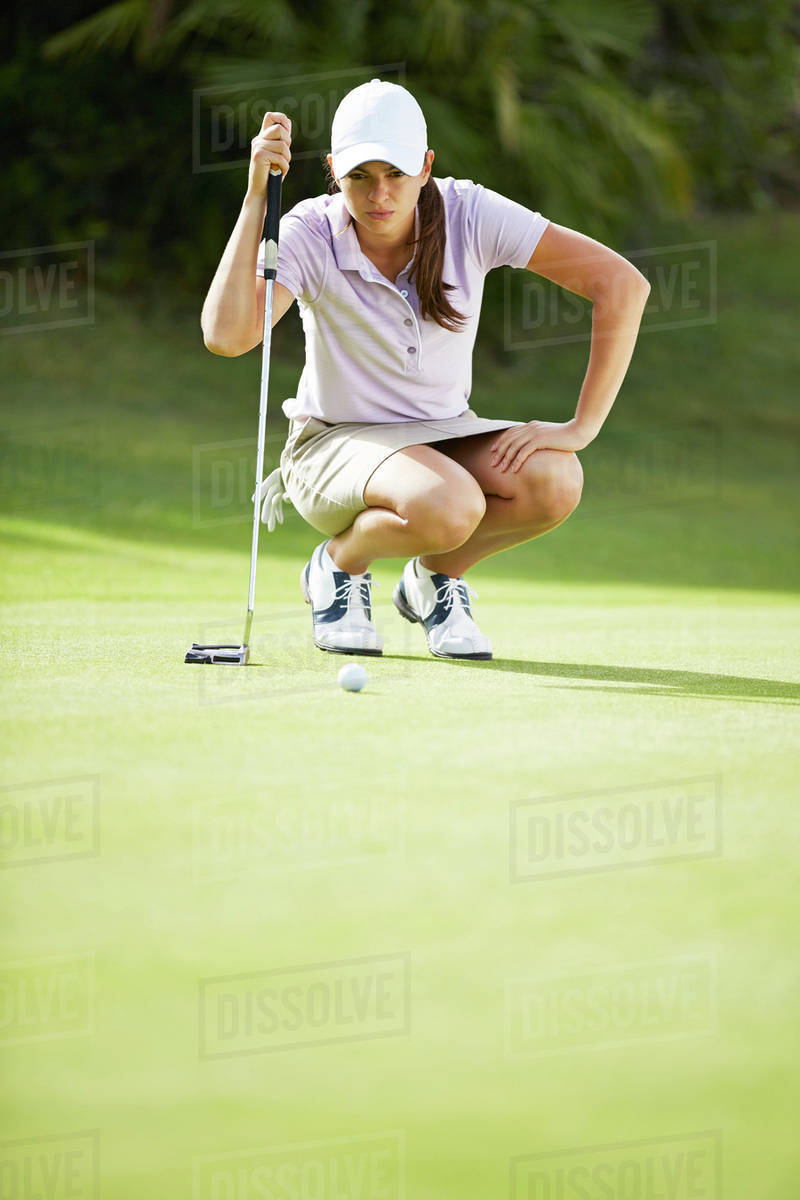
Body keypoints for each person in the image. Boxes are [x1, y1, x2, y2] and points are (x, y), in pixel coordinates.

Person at [201, 79, 650, 661]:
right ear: (335, 171)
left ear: (426, 167)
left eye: (396, 174)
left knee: (555, 480)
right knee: (451, 504)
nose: (379, 195)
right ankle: (337, 567)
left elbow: (620, 284)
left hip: (441, 437)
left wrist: (581, 427)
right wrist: (257, 198)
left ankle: (436, 579)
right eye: (360, 176)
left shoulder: (470, 212)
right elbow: (227, 337)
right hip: (332, 446)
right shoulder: (312, 229)